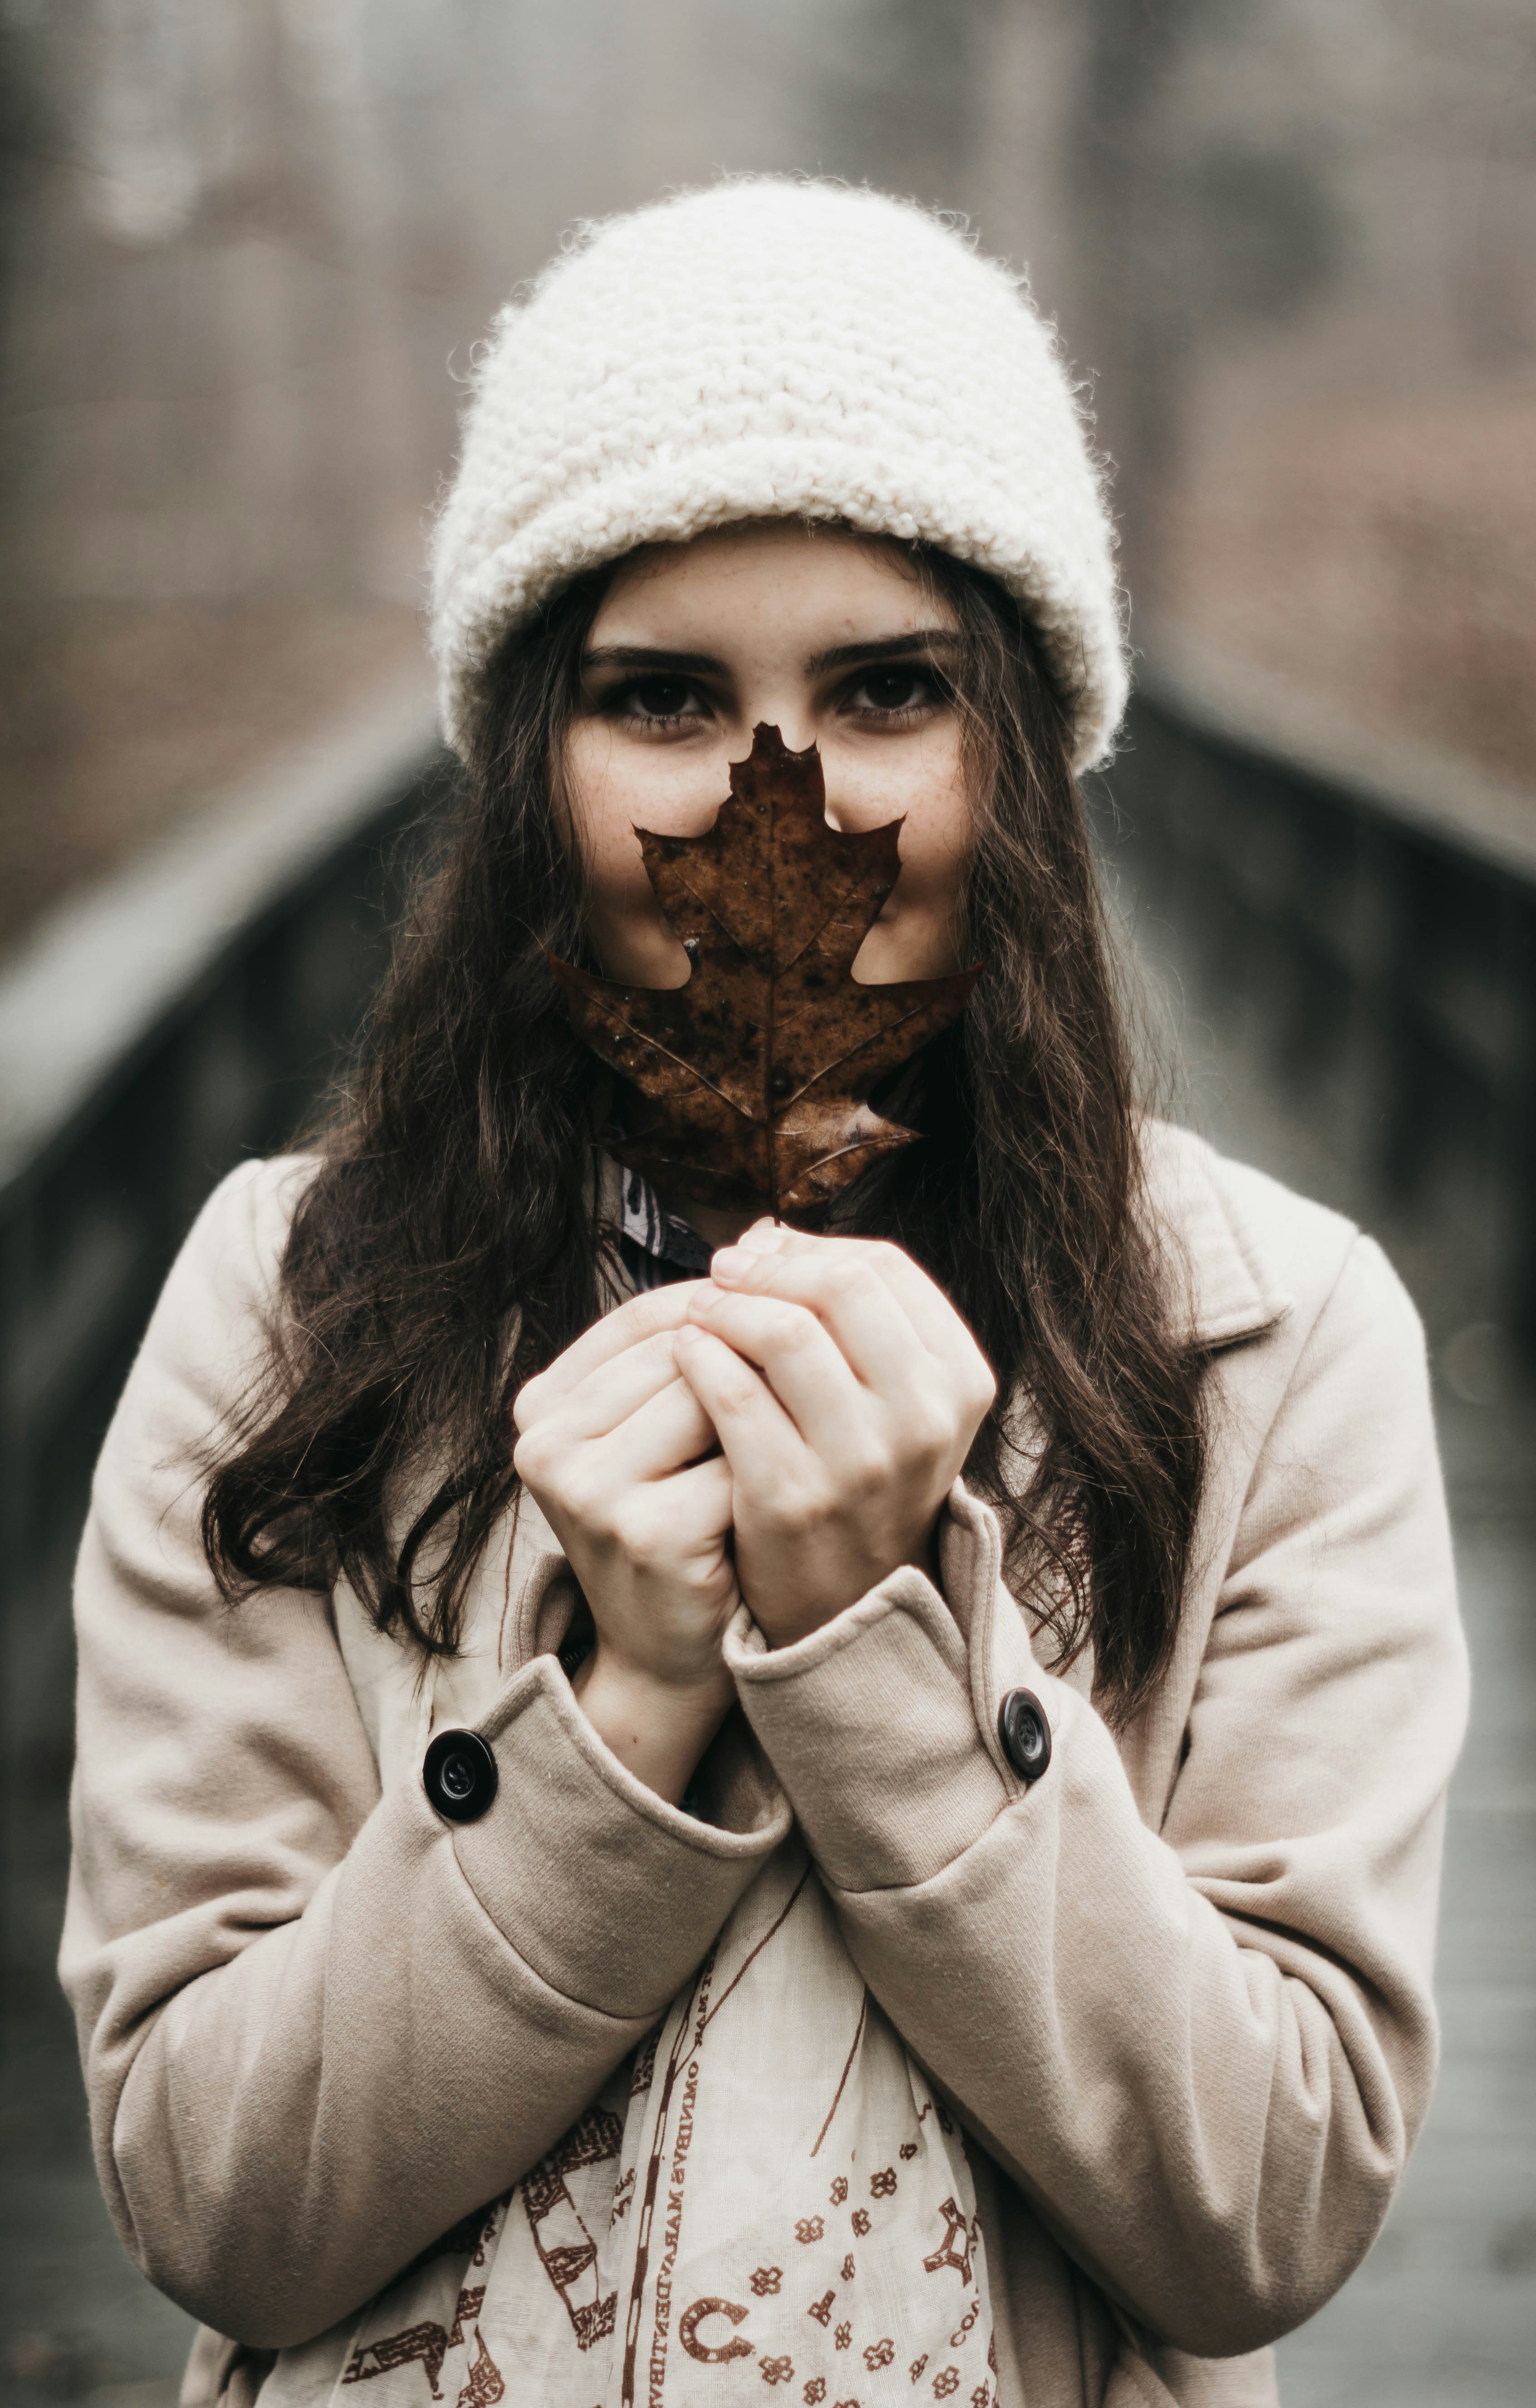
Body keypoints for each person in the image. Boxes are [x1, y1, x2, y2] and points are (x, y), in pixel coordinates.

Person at [61, 179, 1466, 2408]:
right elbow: (211, 2194)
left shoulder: (1268, 1336)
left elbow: (1267, 2208)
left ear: (1022, 748)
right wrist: (615, 1710)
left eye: (890, 686)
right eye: (661, 696)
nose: (772, 797)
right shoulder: (291, 1302)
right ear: (530, 756)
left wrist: (879, 1665)